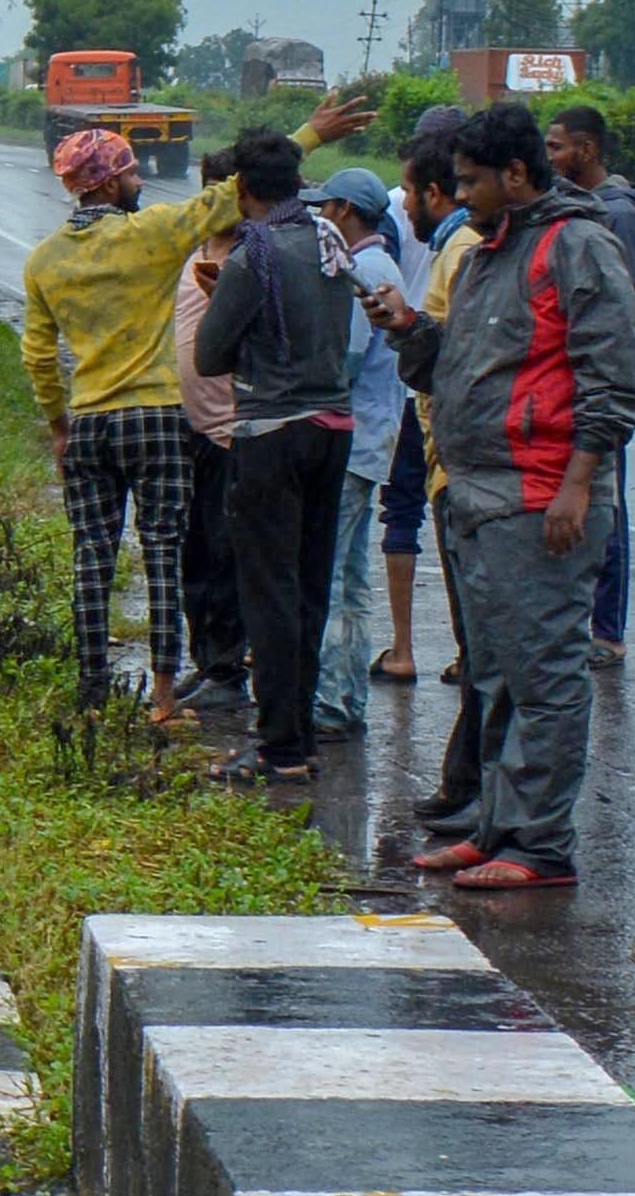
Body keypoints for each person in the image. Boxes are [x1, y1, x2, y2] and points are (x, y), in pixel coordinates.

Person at [370, 102, 635, 891]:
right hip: (477, 494)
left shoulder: (578, 247)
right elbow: (453, 364)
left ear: (517, 175)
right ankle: (496, 828)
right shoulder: (492, 248)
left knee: (544, 670)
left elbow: (615, 380)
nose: (459, 197)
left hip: (541, 499)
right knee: (492, 671)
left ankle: (540, 847)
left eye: (470, 181)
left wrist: (579, 485)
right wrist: (404, 330)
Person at [20, 99, 366, 712]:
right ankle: (160, 694)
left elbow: (39, 357)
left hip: (91, 421)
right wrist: (308, 133)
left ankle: (93, 690)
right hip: (155, 416)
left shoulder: (44, 261)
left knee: (92, 556)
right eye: (130, 173)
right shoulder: (149, 235)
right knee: (162, 555)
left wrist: (57, 425)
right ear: (109, 181)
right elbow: (233, 194)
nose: (139, 181)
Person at [193, 132, 365, 782]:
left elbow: (210, 355)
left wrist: (225, 306)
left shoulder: (253, 253)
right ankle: (300, 737)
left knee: (268, 591)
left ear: (241, 191)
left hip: (272, 434)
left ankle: (280, 747)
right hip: (333, 428)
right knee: (309, 588)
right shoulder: (329, 241)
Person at [547, 103, 635, 665]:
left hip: (603, 385)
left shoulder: (616, 216)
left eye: (558, 146)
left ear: (587, 150)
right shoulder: (574, 212)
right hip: (570, 383)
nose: (551, 157)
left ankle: (607, 630)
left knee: (604, 504)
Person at [307, 166, 413, 736]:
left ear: (346, 210)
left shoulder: (361, 271)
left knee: (331, 572)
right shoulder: (382, 265)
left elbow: (343, 357)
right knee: (349, 575)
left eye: (326, 208)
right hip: (373, 437)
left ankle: (330, 700)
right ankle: (343, 699)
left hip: (351, 441)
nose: (322, 218)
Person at [369, 143, 470, 685]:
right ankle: (462, 652)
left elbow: (461, 349)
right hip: (426, 408)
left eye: (410, 192)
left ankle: (410, 647)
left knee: (411, 518)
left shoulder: (462, 245)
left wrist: (406, 326)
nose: (404, 203)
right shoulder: (459, 238)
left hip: (433, 414)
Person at [172, 153, 250, 708]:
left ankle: (227, 670)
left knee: (228, 553)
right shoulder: (184, 253)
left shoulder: (253, 258)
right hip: (184, 427)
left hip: (234, 428)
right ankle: (206, 661)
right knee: (192, 551)